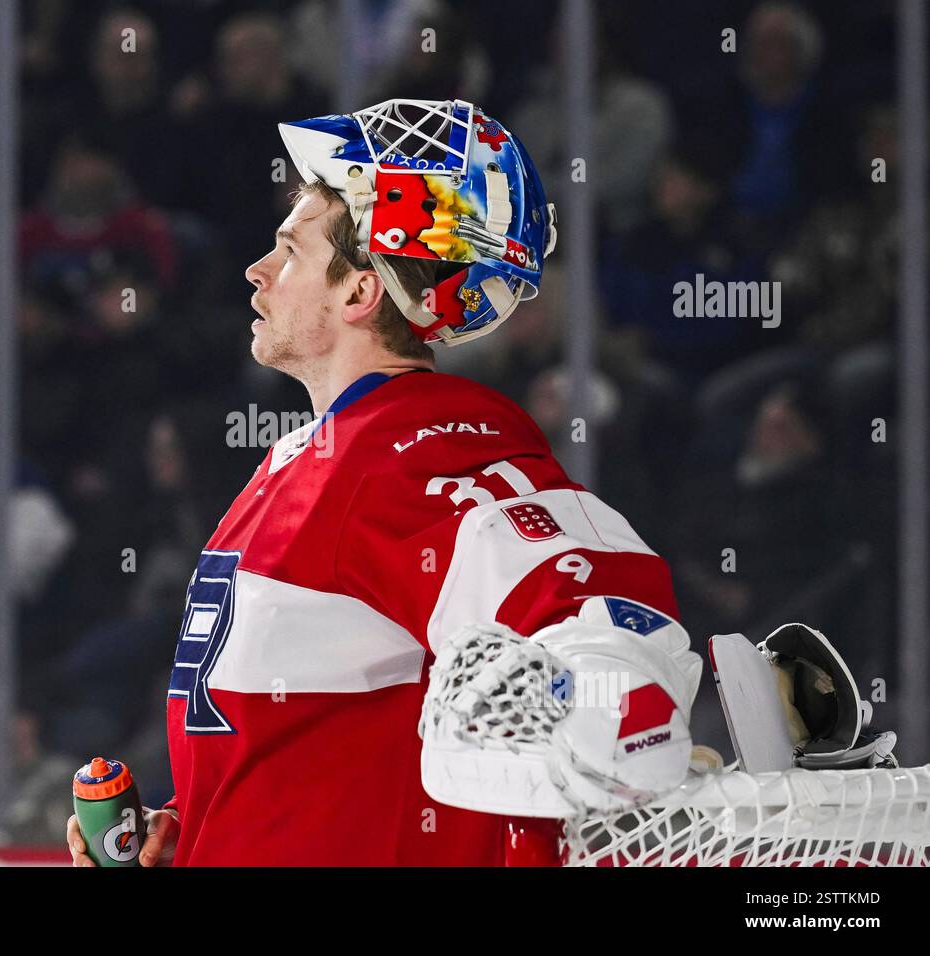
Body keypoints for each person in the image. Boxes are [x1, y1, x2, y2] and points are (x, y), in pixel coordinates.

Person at [69, 99, 699, 866]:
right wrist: (194, 832)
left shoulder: (420, 448)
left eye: (290, 251)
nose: (257, 270)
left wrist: (611, 699)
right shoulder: (308, 454)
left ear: (360, 292)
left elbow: (603, 613)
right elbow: (307, 741)